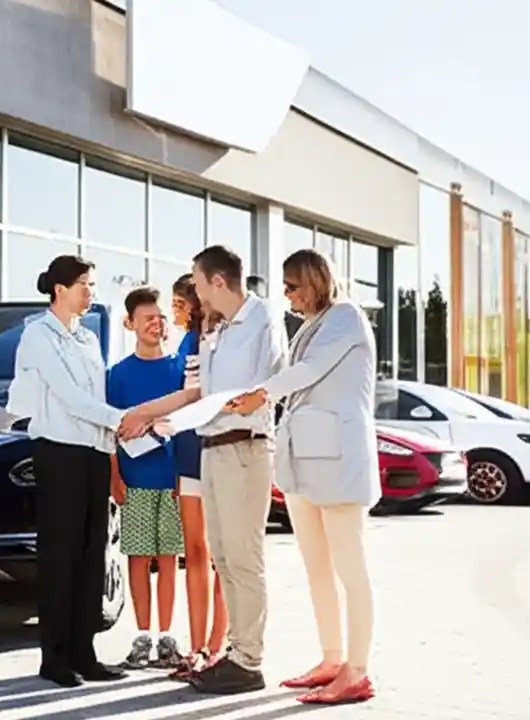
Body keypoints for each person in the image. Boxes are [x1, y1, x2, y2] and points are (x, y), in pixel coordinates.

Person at [225, 248, 380, 705]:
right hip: (305, 461)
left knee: (350, 569)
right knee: (317, 569)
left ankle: (357, 670)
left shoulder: (346, 316)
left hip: (338, 461)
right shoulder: (310, 325)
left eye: (292, 286)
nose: (288, 295)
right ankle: (332, 658)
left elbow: (309, 372)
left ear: (314, 280)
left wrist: (260, 395)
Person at [12, 254, 163, 688]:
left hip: (94, 453)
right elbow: (70, 398)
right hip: (59, 453)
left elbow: (95, 394)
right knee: (60, 557)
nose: (92, 292)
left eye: (93, 285)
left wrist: (114, 436)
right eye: (86, 285)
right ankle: (54, 656)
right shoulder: (38, 336)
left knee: (91, 558)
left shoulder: (87, 338)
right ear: (60, 289)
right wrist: (125, 419)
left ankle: (84, 651)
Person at [184, 244, 287, 695]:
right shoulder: (218, 329)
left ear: (218, 281)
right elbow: (204, 393)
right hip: (212, 447)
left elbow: (277, 376)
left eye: (198, 282)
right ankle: (235, 650)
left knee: (244, 559)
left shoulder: (263, 319)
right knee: (222, 556)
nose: (196, 292)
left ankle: (249, 660)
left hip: (245, 448)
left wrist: (260, 395)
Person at [107, 287, 185, 671]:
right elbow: (108, 431)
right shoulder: (117, 375)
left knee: (168, 559)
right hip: (134, 482)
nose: (157, 323)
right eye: (148, 317)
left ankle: (167, 639)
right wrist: (114, 477)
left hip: (172, 483)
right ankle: (141, 638)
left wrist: (183, 478)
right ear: (130, 323)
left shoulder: (178, 370)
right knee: (137, 560)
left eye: (161, 317)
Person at [166, 274, 229, 680]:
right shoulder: (187, 341)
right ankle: (198, 648)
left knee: (224, 554)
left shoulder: (222, 336)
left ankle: (219, 645)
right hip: (188, 455)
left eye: (177, 300)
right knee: (197, 553)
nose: (173, 308)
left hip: (222, 451)